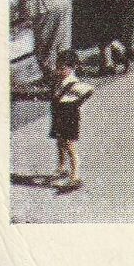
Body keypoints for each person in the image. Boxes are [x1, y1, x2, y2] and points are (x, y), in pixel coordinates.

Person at [46, 51, 93, 193]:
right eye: (58, 67)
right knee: (60, 142)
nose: (59, 70)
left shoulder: (72, 83)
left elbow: (89, 90)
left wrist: (76, 103)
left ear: (71, 68)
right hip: (59, 114)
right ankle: (61, 168)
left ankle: (75, 175)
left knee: (69, 145)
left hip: (68, 115)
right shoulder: (60, 80)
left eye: (62, 68)